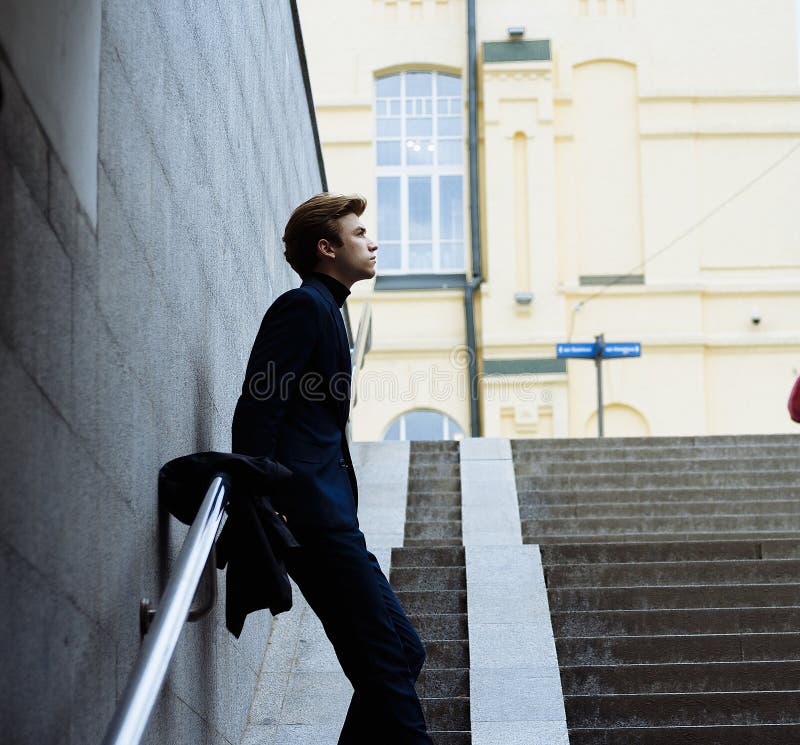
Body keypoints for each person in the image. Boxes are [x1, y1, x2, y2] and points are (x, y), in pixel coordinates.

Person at [231, 193, 432, 744]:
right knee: (385, 660)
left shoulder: (329, 311)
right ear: (327, 248)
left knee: (401, 652)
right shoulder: (303, 308)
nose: (373, 242)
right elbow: (257, 408)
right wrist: (268, 505)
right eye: (359, 233)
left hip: (333, 516)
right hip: (310, 518)